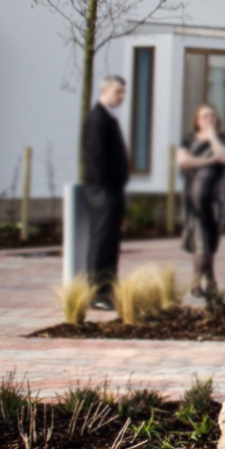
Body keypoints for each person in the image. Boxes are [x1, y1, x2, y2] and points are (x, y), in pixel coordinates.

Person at [79, 75, 131, 311]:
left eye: (123, 93)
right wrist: (103, 188)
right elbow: (96, 157)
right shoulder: (98, 120)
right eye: (118, 92)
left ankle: (108, 289)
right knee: (102, 241)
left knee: (111, 241)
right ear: (105, 91)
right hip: (103, 190)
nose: (122, 97)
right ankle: (98, 292)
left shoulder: (107, 118)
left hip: (111, 189)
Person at [176, 103, 225, 298]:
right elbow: (183, 161)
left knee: (210, 239)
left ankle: (209, 280)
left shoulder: (223, 138)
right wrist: (210, 160)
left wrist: (212, 137)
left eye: (212, 116)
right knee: (200, 239)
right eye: (204, 116)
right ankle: (196, 282)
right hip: (195, 197)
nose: (209, 119)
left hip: (215, 198)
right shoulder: (189, 140)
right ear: (197, 120)